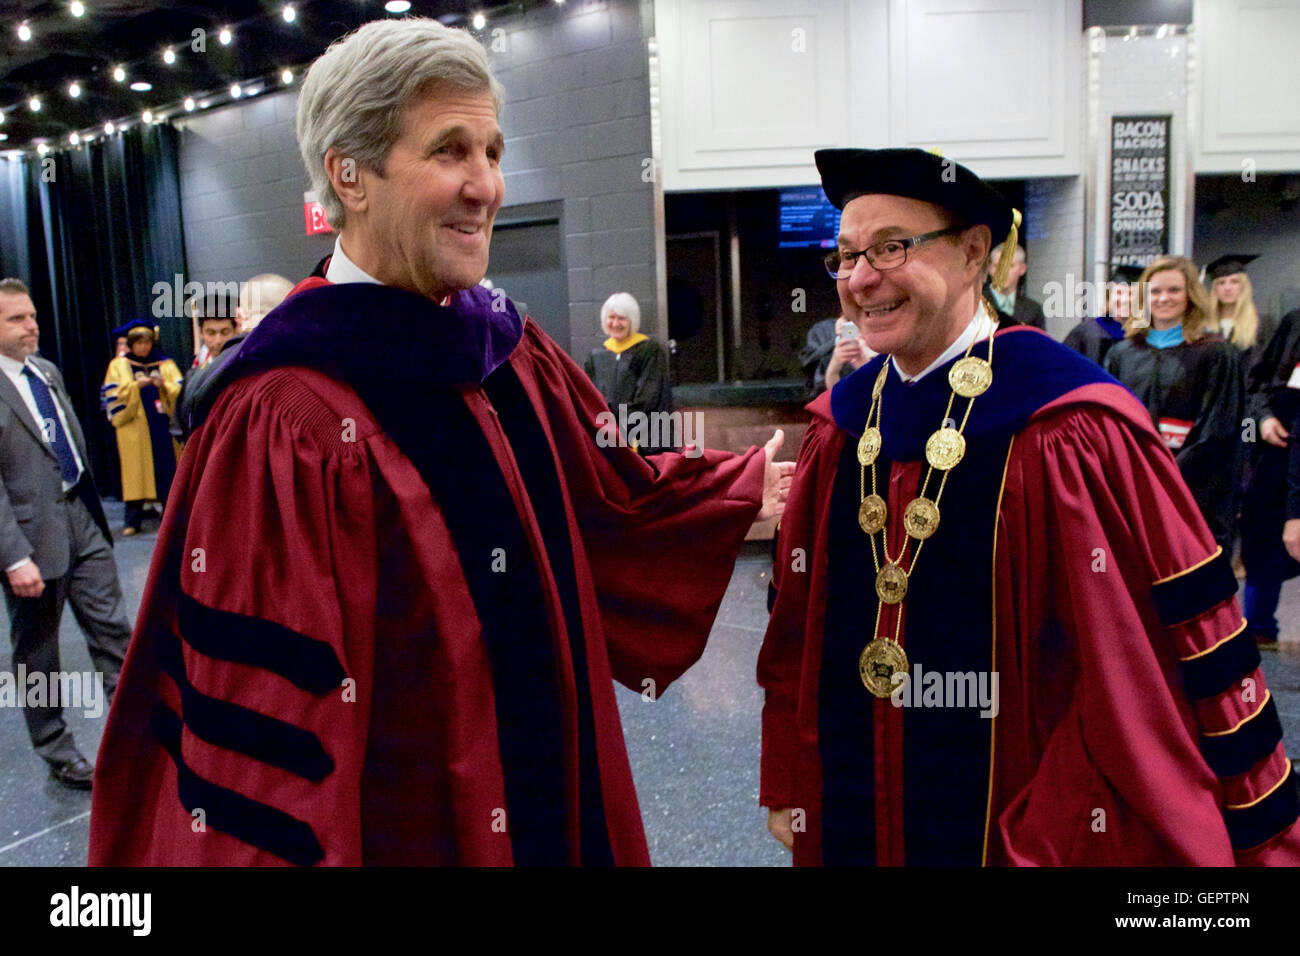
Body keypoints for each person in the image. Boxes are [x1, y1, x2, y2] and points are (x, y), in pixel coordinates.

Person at [89, 17, 793, 867]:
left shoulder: (507, 349)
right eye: (450, 151)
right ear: (350, 174)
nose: (487, 185)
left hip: (557, 798)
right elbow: (261, 735)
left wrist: (736, 494)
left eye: (492, 151)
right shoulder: (282, 416)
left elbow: (608, 503)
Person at [758, 147, 1299, 866]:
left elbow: (1141, 669)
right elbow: (799, 628)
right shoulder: (842, 426)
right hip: (851, 804)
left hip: (1021, 821)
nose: (860, 279)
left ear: (974, 251)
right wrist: (791, 779)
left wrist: (1061, 827)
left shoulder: (1069, 426)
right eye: (845, 256)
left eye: (890, 248)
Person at [0, 278, 132, 789]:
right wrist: (13, 558)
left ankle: (138, 732)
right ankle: (57, 750)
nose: (31, 325)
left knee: (114, 630)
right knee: (38, 652)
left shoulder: (46, 372)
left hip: (81, 515)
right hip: (31, 541)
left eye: (31, 316)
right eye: (17, 319)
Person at [1104, 257, 1243, 551]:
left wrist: (1166, 476)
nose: (1164, 298)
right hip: (1132, 489)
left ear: (1190, 295)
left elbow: (1218, 429)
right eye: (1155, 292)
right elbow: (1107, 423)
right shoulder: (1122, 354)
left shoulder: (1216, 354)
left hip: (1193, 493)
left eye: (1174, 290)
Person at [1241, 305, 1300, 649]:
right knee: (1264, 548)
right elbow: (1256, 386)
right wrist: (1262, 419)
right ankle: (1259, 629)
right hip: (1275, 459)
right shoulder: (1294, 321)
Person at [176, 274, 294, 439]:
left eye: (224, 332)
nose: (217, 341)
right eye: (211, 332)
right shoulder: (313, 363)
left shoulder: (210, 375)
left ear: (239, 318)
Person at [101, 323, 183, 535]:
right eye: (138, 343)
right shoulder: (119, 365)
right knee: (135, 474)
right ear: (130, 345)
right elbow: (115, 392)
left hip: (161, 424)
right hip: (134, 426)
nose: (143, 347)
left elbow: (180, 390)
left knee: (166, 469)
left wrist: (163, 385)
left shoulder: (165, 363)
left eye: (147, 342)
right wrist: (138, 385)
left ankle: (169, 516)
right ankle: (132, 521)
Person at [583, 292, 675, 455]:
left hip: (642, 436)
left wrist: (624, 429)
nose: (616, 323)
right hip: (607, 434)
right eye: (611, 317)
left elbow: (649, 396)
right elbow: (589, 396)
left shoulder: (649, 351)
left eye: (622, 318)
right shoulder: (596, 356)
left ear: (632, 321)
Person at [1207, 254, 1276, 373]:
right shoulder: (1204, 326)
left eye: (1234, 282)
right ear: (1214, 289)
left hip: (1250, 390)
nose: (1227, 288)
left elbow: (1270, 366)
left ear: (1244, 286)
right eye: (1221, 283)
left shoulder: (1262, 324)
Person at [1062, 264, 1142, 367]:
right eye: (1119, 293)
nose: (1124, 300)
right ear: (1109, 295)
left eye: (1131, 294)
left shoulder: (1149, 337)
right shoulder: (1086, 332)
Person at [984, 242, 1046, 330]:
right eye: (997, 266)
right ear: (989, 268)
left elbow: (1040, 343)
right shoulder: (975, 304)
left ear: (1022, 269)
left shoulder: (1033, 310)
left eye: (1010, 266)